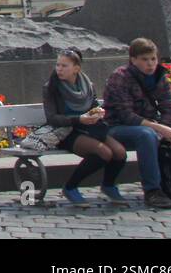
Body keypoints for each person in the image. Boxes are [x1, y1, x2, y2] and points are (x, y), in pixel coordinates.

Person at [103, 37, 171, 209]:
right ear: (133, 60)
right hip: (118, 128)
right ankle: (153, 190)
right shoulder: (120, 77)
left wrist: (162, 128)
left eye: (153, 59)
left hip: (151, 126)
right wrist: (159, 128)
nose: (150, 64)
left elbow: (170, 108)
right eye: (144, 60)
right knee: (146, 135)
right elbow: (125, 115)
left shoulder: (159, 75)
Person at [42, 48, 127, 205]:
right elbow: (52, 118)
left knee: (120, 152)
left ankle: (108, 185)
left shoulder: (87, 85)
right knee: (104, 153)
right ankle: (70, 187)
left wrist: (97, 113)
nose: (59, 69)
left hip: (90, 129)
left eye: (64, 66)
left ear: (76, 68)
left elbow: (93, 105)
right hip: (65, 132)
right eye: (58, 65)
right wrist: (79, 119)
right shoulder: (51, 87)